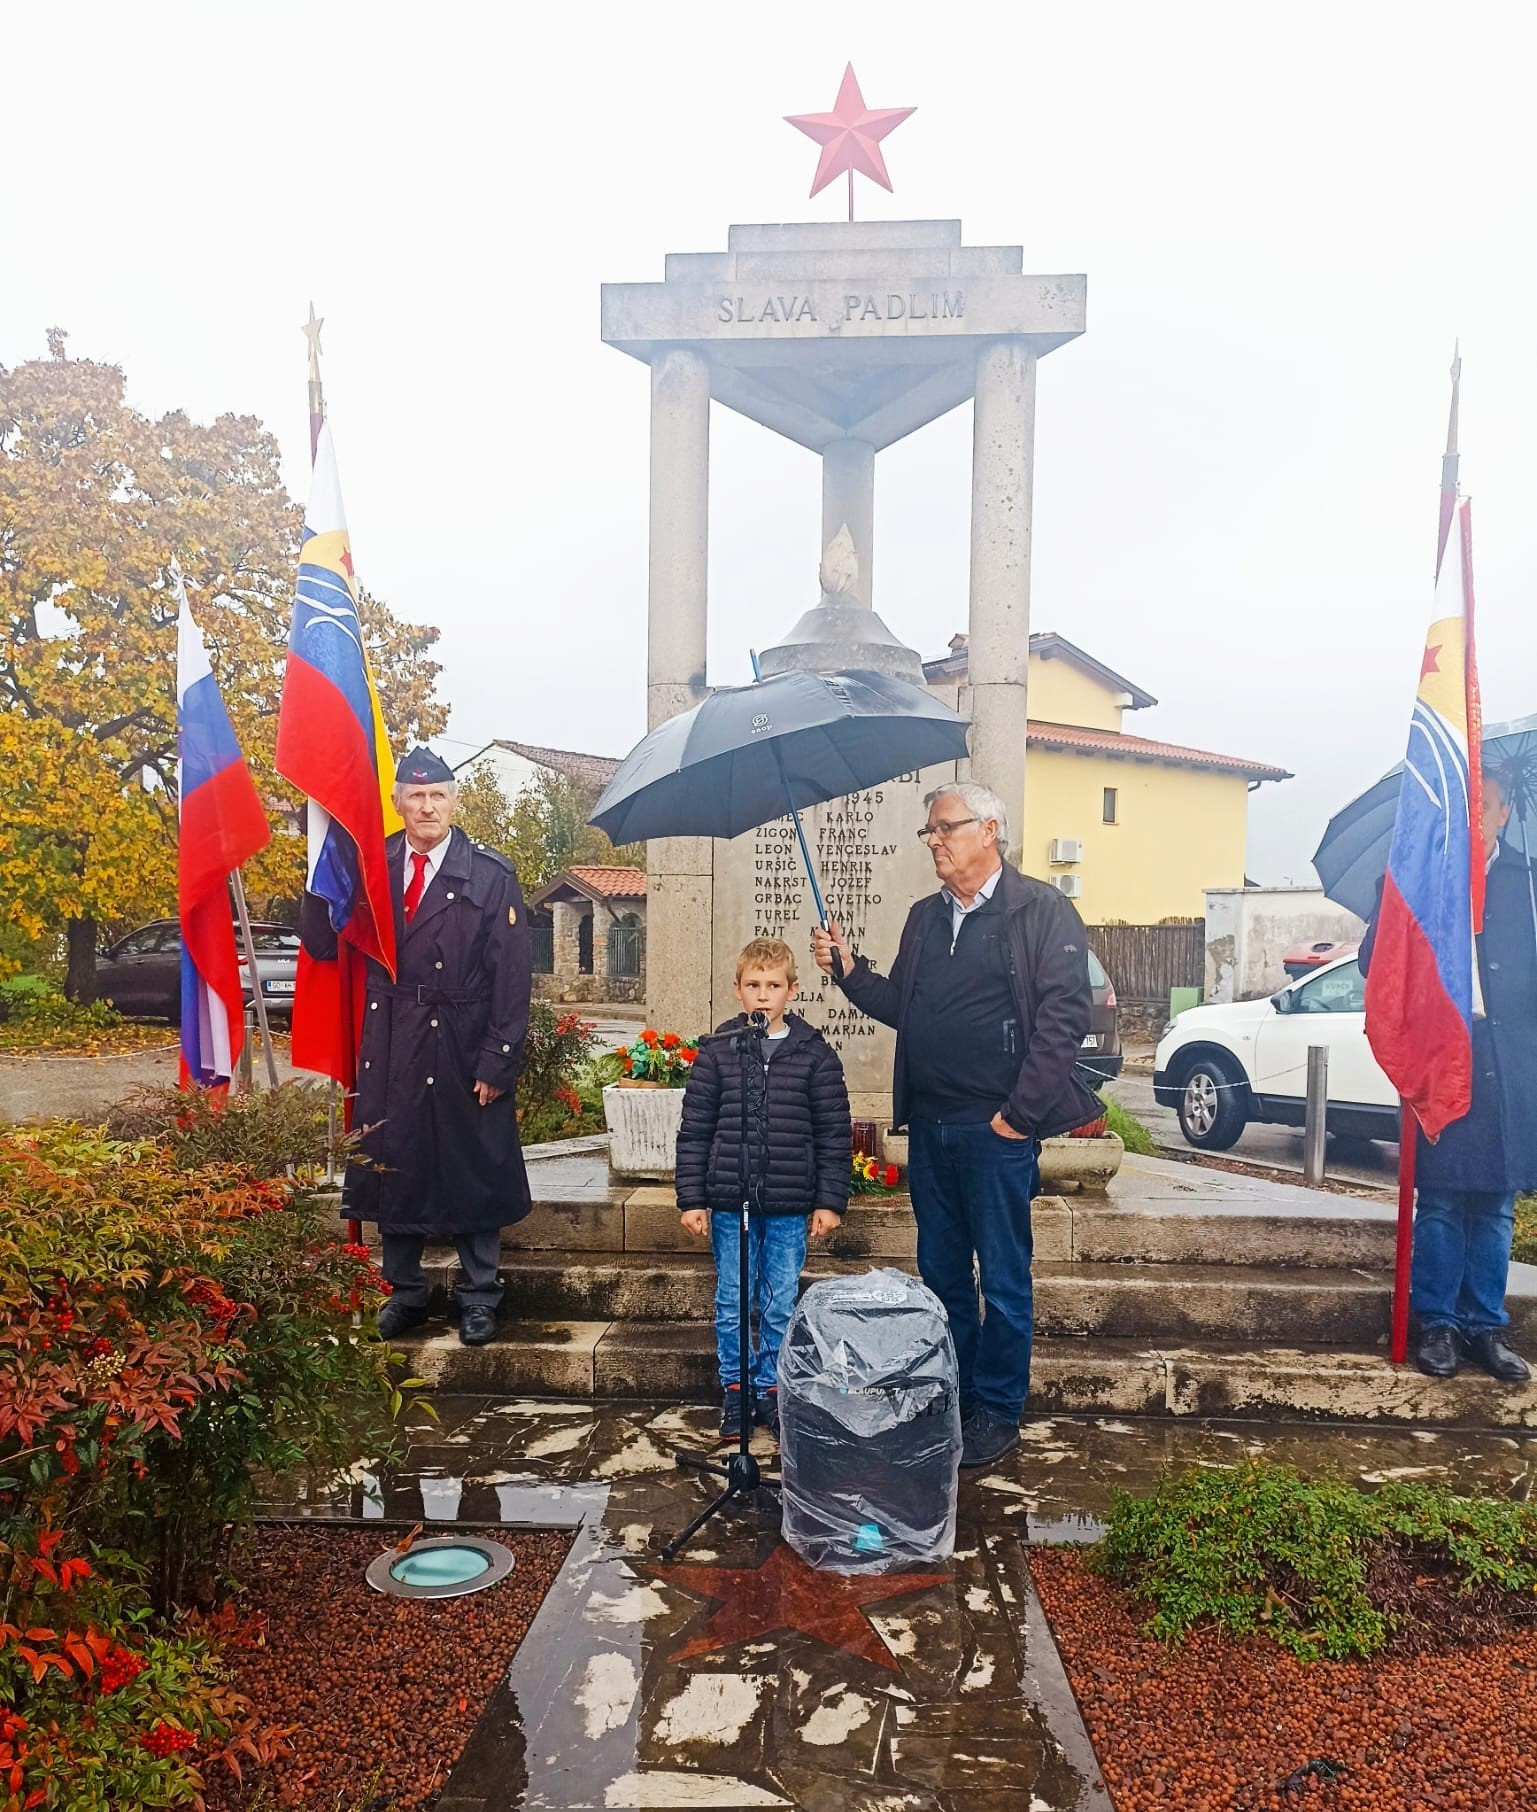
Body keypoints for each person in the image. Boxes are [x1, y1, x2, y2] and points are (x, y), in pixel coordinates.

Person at [812, 780, 1099, 1469]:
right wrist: (850, 972)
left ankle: (998, 1407)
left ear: (988, 830)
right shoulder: (923, 917)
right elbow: (905, 1006)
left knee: (1002, 1277)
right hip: (933, 1128)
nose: (933, 840)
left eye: (944, 827)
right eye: (929, 831)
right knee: (940, 1273)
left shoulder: (1040, 909)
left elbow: (1064, 1019)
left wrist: (1017, 1118)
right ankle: (958, 1392)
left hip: (995, 1131)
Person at [301, 747, 532, 1347]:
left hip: (462, 1036)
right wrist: (316, 871)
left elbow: (511, 979)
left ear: (454, 802)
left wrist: (498, 1059)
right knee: (393, 1161)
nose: (426, 807)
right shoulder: (370, 864)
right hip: (393, 1033)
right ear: (398, 802)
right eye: (415, 796)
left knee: (470, 1164)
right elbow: (326, 944)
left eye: (438, 797)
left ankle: (479, 1296)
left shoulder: (490, 874)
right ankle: (402, 1292)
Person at [1360, 764, 1536, 1382]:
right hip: (1442, 1054)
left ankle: (1486, 1326)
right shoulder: (1424, 876)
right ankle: (1436, 1322)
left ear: (1505, 812)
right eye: (1464, 805)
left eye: (1484, 804)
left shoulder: (1527, 880)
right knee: (1439, 1199)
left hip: (1508, 1060)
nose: (1475, 816)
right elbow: (1372, 963)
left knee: (1495, 1202)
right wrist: (1398, 886)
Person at [675, 937, 851, 1440]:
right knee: (733, 1297)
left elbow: (833, 1131)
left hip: (790, 1203)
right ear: (738, 990)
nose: (762, 995)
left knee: (778, 1300)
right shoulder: (717, 1052)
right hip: (732, 1201)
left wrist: (828, 1200)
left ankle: (772, 1388)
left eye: (773, 986)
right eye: (753, 986)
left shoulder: (814, 1056)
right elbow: (695, 1129)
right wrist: (692, 1197)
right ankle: (736, 1389)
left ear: (792, 991)